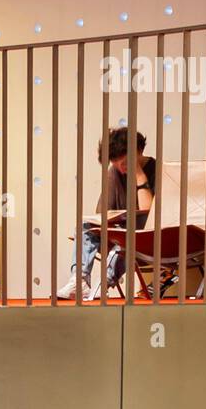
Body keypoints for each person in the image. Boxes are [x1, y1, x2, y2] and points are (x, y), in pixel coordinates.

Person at [57, 127, 156, 300]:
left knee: (126, 240)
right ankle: (79, 281)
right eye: (116, 163)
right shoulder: (116, 172)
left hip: (147, 238)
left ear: (139, 151)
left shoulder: (157, 169)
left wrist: (139, 174)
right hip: (122, 232)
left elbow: (150, 215)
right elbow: (101, 214)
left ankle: (105, 281)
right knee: (86, 226)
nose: (122, 168)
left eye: (125, 162)